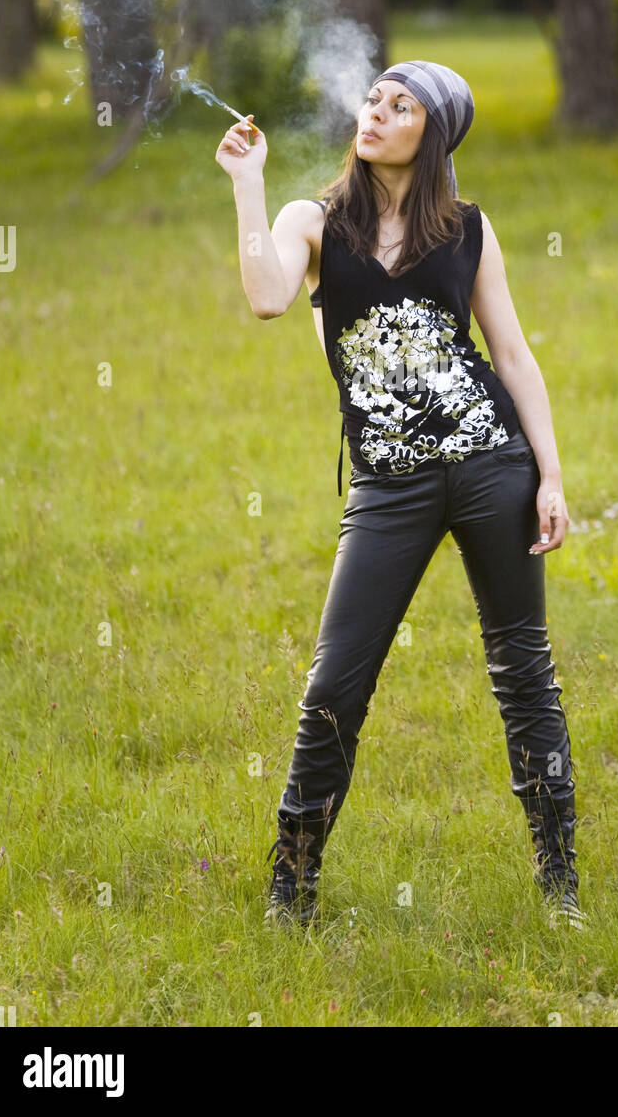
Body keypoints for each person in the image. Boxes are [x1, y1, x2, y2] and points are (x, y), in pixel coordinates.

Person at [214, 59, 584, 931]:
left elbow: (514, 356)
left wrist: (553, 477)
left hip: (494, 465)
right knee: (336, 684)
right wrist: (247, 183)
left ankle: (561, 881)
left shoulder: (467, 229)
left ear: (435, 133)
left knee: (524, 673)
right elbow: (268, 298)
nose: (375, 113)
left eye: (400, 105)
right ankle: (292, 887)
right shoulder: (315, 220)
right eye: (372, 98)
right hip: (389, 485)